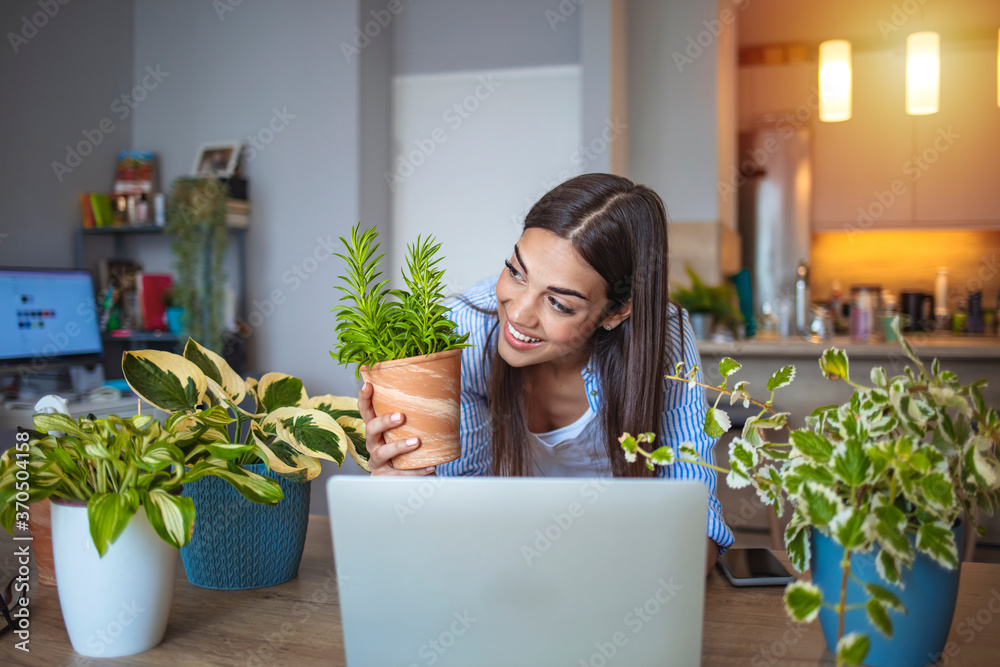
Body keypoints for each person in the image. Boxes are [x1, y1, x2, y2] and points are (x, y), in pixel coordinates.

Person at [358, 173, 734, 575]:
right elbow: (454, 521)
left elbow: (694, 519)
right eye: (516, 272)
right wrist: (403, 492)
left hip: (618, 581)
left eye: (558, 303)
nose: (517, 313)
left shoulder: (661, 338)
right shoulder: (462, 332)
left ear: (617, 311)